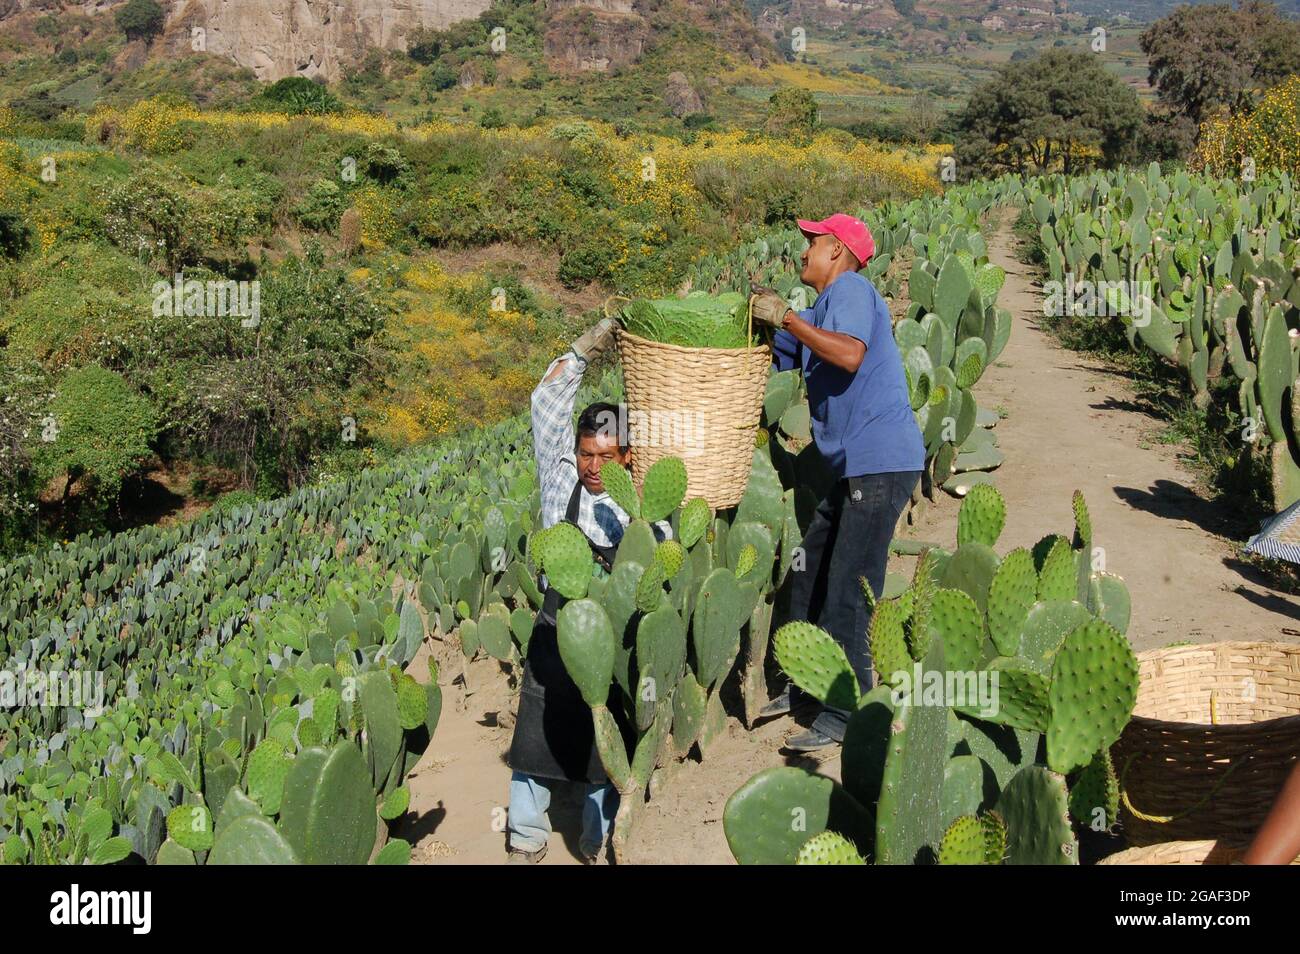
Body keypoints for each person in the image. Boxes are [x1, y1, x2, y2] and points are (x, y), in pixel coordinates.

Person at [749, 212, 925, 752]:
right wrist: (757, 320)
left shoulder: (851, 290)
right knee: (813, 566)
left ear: (838, 253)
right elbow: (782, 359)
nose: (802, 251)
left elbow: (848, 355)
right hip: (853, 466)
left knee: (851, 582)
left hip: (880, 459)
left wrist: (791, 320)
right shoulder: (820, 309)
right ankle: (808, 684)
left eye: (812, 242)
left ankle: (847, 712)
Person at [504, 317, 667, 864]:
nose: (593, 467)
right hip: (556, 625)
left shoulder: (639, 506)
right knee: (535, 729)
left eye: (606, 456)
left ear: (628, 457)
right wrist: (581, 351)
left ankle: (596, 839)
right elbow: (545, 401)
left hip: (612, 636)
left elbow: (664, 552)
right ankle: (525, 835)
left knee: (605, 732)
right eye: (586, 454)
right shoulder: (559, 480)